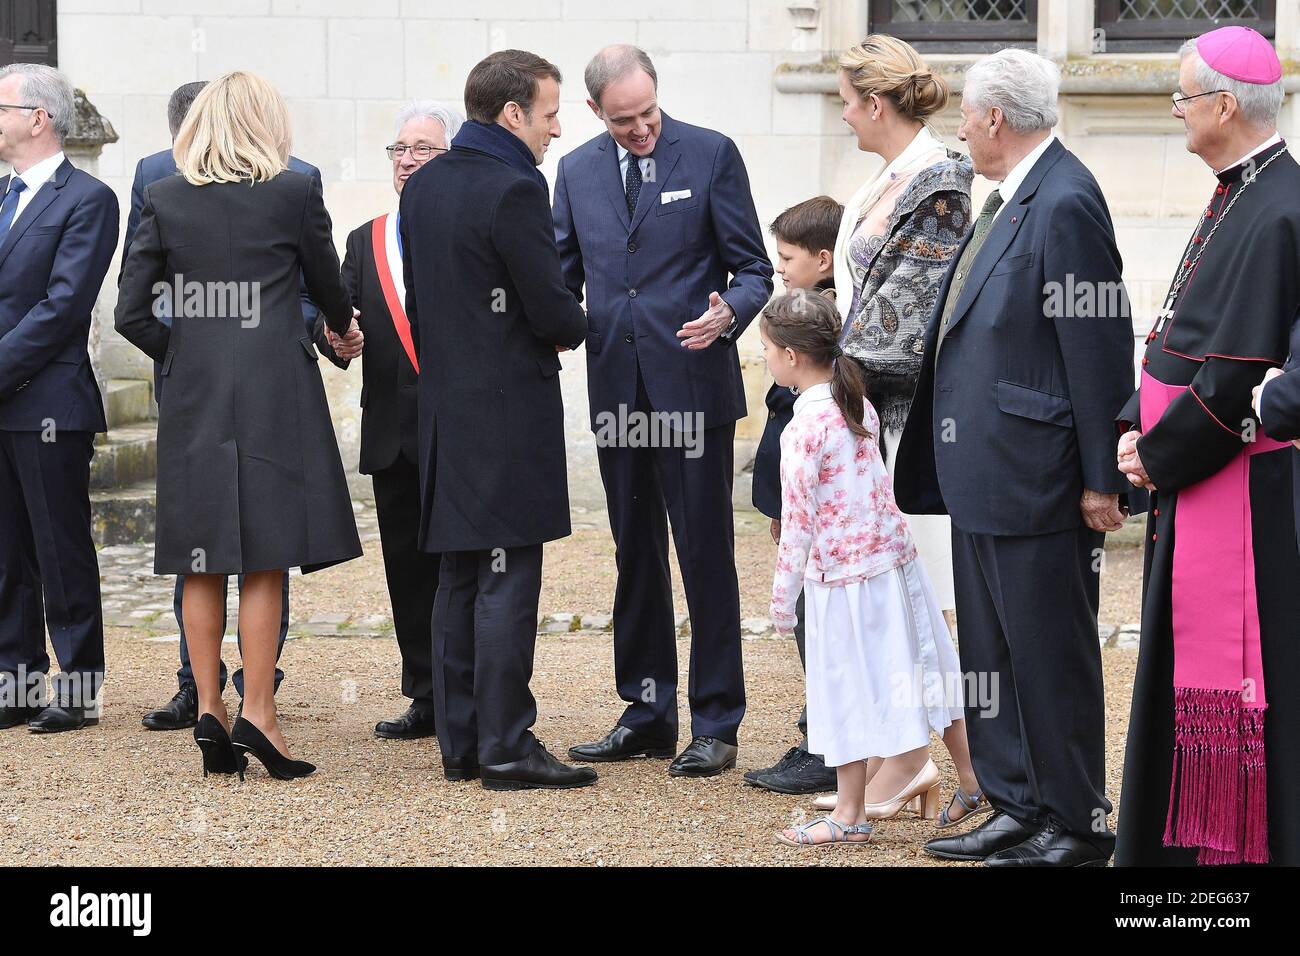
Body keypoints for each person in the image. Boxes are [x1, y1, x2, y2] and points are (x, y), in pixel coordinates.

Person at [894, 49, 1134, 866]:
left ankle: (1074, 821)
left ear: (995, 118)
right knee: (991, 652)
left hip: (1039, 474)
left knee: (1048, 654)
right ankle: (1015, 801)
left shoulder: (1065, 198)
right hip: (983, 470)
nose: (957, 124)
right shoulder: (1001, 197)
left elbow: (1097, 345)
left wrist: (1105, 479)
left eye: (964, 112)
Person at [114, 71, 362, 780]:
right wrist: (342, 329)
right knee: (264, 554)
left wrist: (183, 354)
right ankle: (261, 712)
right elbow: (329, 290)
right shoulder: (292, 191)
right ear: (262, 122)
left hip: (193, 392)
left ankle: (210, 711)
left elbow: (131, 313)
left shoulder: (162, 196)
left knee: (201, 554)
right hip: (275, 388)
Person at [556, 44, 773, 777]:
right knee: (635, 557)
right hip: (616, 391)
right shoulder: (575, 169)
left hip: (692, 391)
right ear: (596, 112)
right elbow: (559, 277)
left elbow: (754, 268)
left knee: (705, 556)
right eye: (624, 120)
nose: (641, 128)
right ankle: (647, 712)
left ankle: (716, 721)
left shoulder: (711, 154)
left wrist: (729, 315)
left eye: (648, 112)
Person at [1116, 26, 1300, 867]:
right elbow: (1179, 330)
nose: (1177, 114)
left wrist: (1155, 456)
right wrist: (1134, 419)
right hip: (1187, 473)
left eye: (1184, 98)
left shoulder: (1278, 208)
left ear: (1225, 106)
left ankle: (1217, 858)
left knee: (1241, 674)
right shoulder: (1239, 189)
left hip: (1234, 488)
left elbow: (1236, 376)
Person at [400, 50, 595, 791]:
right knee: (507, 578)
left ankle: (464, 743)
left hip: (446, 410)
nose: (554, 130)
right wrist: (583, 320)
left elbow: (424, 307)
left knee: (458, 575)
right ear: (513, 114)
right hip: (508, 414)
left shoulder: (425, 186)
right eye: (548, 115)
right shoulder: (515, 187)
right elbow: (549, 309)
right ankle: (508, 747)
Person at [816, 33, 986, 827]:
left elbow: (904, 322)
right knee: (911, 595)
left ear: (875, 103)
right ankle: (928, 762)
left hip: (910, 423)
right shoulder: (887, 178)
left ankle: (953, 764)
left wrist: (826, 382)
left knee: (926, 596)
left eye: (848, 100)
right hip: (869, 416)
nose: (843, 112)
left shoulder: (940, 182)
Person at [762, 293, 964, 848]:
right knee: (927, 668)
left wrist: (783, 599)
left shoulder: (802, 429)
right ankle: (971, 780)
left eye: (766, 351)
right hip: (891, 565)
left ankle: (850, 813)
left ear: (791, 356)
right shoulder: (858, 406)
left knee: (845, 688)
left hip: (843, 580)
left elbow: (798, 522)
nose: (764, 362)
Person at [336, 100, 463, 741]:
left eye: (423, 149)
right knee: (406, 570)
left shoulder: (467, 228)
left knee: (460, 570)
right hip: (392, 431)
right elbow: (337, 316)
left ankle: (465, 691)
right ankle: (425, 694)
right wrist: (336, 337)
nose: (408, 159)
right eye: (400, 149)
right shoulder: (367, 239)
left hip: (459, 431)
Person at [0, 63, 119, 733]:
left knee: (59, 549)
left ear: (38, 117)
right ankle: (15, 683)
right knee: (5, 555)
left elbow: (62, 307)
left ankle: (77, 687)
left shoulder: (87, 200)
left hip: (49, 405)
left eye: (1, 106)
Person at [743, 196, 840, 796]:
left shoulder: (816, 326)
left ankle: (825, 745)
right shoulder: (804, 315)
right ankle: (821, 729)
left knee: (815, 621)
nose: (778, 266)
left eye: (787, 257)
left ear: (822, 259)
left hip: (809, 509)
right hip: (793, 497)